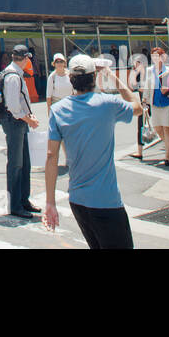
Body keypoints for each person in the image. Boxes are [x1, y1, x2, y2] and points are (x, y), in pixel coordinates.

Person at [43, 55, 142, 249]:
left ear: (71, 79)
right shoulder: (107, 103)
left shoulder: (57, 109)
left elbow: (51, 156)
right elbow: (137, 107)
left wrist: (50, 202)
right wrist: (111, 75)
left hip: (77, 200)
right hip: (107, 201)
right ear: (94, 77)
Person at [0, 45, 40, 219]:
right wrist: (29, 119)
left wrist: (29, 116)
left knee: (24, 163)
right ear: (25, 59)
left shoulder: (15, 74)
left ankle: (24, 200)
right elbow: (13, 107)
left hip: (19, 122)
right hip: (14, 123)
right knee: (16, 165)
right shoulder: (13, 77)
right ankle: (16, 205)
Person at [144, 48, 169, 164]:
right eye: (153, 56)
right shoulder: (149, 70)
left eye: (157, 56)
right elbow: (147, 85)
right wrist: (144, 100)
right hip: (155, 102)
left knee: (167, 129)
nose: (155, 59)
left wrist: (168, 90)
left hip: (167, 101)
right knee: (157, 128)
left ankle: (167, 157)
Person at [128, 56, 148, 159]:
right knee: (141, 126)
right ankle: (140, 152)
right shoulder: (140, 74)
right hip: (143, 103)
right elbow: (132, 86)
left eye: (136, 63)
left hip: (149, 102)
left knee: (161, 127)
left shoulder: (148, 73)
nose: (134, 65)